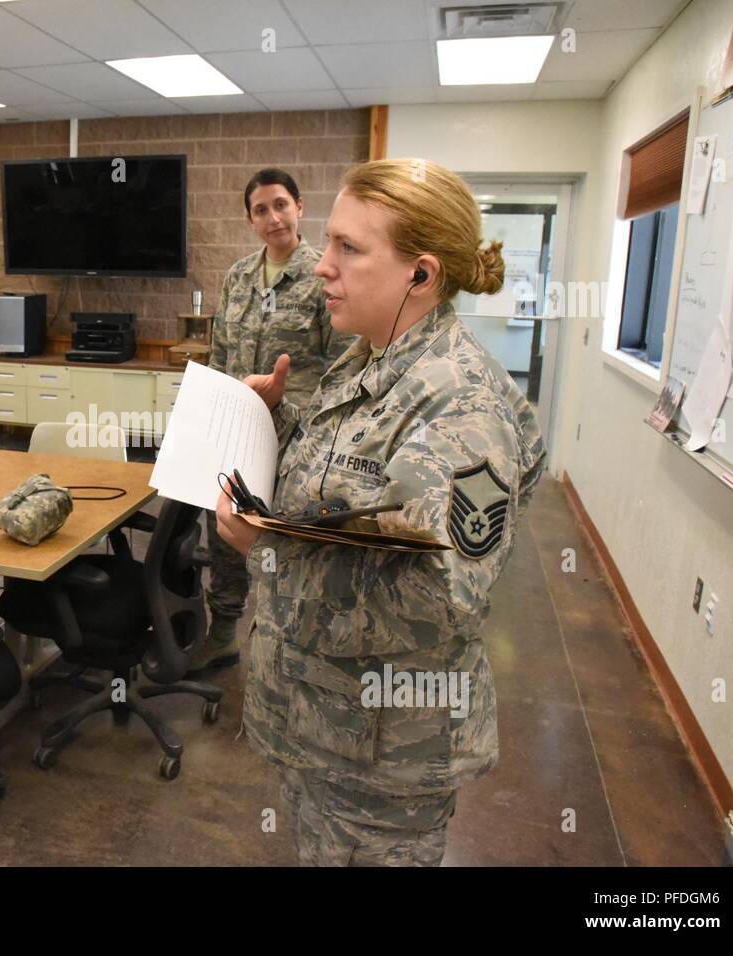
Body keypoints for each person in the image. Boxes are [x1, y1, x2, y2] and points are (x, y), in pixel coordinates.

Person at [215, 158, 546, 866]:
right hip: (321, 727)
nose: (321, 267)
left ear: (420, 275)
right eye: (328, 242)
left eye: (348, 249)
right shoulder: (368, 357)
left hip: (383, 761)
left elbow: (438, 598)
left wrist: (265, 554)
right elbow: (341, 487)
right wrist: (269, 420)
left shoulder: (461, 407)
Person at [191, 168, 354, 675]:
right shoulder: (237, 277)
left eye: (280, 204)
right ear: (250, 220)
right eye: (261, 209)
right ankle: (222, 633)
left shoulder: (323, 276)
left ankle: (278, 647)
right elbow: (221, 355)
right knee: (224, 536)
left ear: (300, 208)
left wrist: (289, 405)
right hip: (236, 434)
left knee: (281, 545)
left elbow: (343, 369)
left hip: (295, 441)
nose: (273, 217)